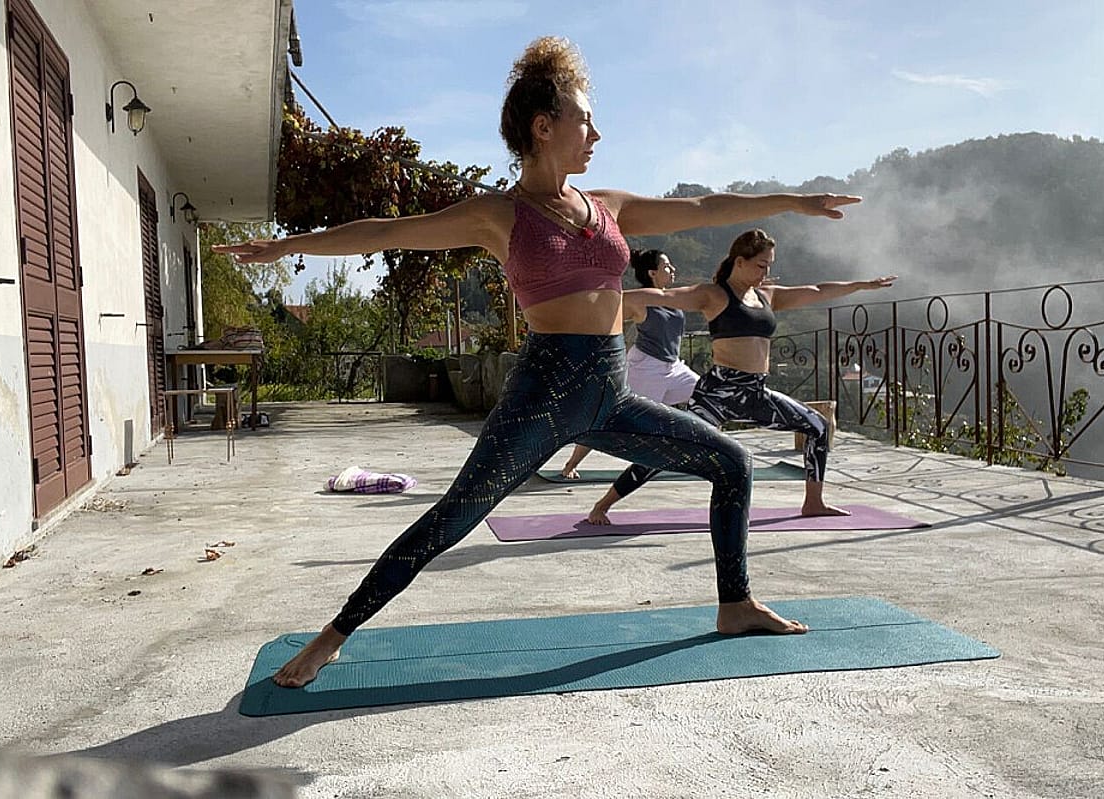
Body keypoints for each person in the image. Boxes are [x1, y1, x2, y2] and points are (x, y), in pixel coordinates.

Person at [214, 37, 860, 688]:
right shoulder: (499, 214)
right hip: (542, 397)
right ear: (543, 126)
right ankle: (331, 638)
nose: (596, 133)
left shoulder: (606, 205)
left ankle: (734, 603)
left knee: (734, 463)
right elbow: (386, 229)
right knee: (450, 519)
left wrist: (793, 202)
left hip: (607, 392)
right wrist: (288, 246)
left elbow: (701, 209)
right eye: (584, 119)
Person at [585, 228, 896, 525]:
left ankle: (813, 502)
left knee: (817, 426)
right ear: (740, 261)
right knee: (669, 450)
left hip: (755, 393)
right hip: (719, 394)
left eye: (769, 266)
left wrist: (861, 285)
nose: (765, 272)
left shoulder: (767, 296)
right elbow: (664, 296)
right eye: (761, 265)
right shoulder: (714, 295)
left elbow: (816, 291)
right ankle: (604, 504)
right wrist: (604, 300)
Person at [559, 248, 700, 478]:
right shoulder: (639, 301)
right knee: (608, 418)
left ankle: (706, 454)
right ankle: (571, 464)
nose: (672, 269)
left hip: (673, 367)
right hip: (646, 368)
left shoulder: (673, 298)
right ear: (652, 273)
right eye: (666, 266)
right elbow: (605, 313)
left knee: (707, 395)